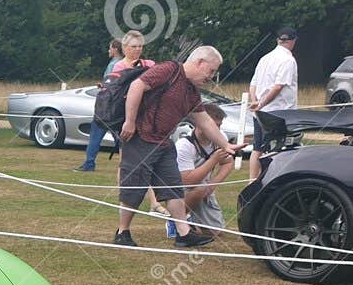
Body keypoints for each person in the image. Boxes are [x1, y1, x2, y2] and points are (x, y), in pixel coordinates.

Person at [114, 44, 239, 249]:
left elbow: (205, 121)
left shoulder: (192, 92)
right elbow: (137, 86)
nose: (212, 76)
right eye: (211, 71)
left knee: (174, 189)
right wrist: (130, 121)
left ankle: (183, 234)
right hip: (140, 139)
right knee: (134, 189)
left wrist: (227, 145)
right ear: (200, 63)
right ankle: (122, 232)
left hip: (164, 143)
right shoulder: (168, 70)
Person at [77, 33, 151, 171]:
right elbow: (114, 89)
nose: (137, 49)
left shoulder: (150, 64)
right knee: (122, 149)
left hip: (142, 114)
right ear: (124, 48)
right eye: (134, 46)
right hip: (117, 112)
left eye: (140, 46)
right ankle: (90, 163)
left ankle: (90, 163)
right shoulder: (118, 66)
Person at [159, 105, 235, 237]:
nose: (218, 130)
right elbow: (187, 180)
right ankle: (175, 220)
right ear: (201, 124)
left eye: (220, 126)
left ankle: (192, 222)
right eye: (215, 126)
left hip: (204, 186)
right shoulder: (184, 145)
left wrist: (213, 184)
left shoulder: (220, 137)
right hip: (178, 188)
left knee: (215, 232)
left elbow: (228, 163)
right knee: (199, 188)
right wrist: (213, 159)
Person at [247, 26, 298, 180]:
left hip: (260, 113)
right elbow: (278, 86)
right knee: (278, 148)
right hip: (279, 112)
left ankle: (252, 182)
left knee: (257, 148)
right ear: (294, 40)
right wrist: (260, 104)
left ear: (278, 40)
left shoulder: (265, 58)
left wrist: (255, 101)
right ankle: (271, 180)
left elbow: (253, 84)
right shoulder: (288, 60)